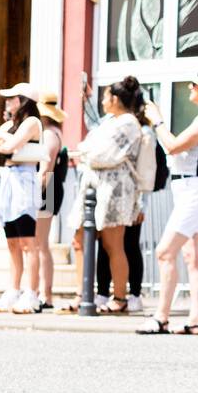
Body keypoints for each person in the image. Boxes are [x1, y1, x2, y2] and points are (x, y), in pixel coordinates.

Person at [68, 76, 149, 314]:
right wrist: (87, 151)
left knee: (113, 244)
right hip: (93, 186)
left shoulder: (128, 123)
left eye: (105, 96)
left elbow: (102, 154)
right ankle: (82, 293)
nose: (103, 100)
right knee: (79, 240)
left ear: (115, 98)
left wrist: (85, 152)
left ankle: (120, 297)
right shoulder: (110, 121)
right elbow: (89, 144)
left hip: (115, 189)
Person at [137, 72, 198, 335]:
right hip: (189, 188)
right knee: (193, 258)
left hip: (193, 189)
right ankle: (197, 318)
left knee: (165, 252)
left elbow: (173, 146)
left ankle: (161, 316)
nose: (190, 86)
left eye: (196, 84)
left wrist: (158, 120)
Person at [0, 83, 43, 314]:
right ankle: (13, 290)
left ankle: (32, 293)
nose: (7, 103)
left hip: (25, 180)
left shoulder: (32, 122)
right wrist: (2, 134)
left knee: (28, 242)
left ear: (22, 101)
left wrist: (2, 139)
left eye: (11, 99)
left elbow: (9, 147)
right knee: (12, 242)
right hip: (9, 180)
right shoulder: (12, 124)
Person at [34, 92, 68, 311]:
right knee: (40, 244)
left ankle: (45, 294)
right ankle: (42, 292)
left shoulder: (49, 135)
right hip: (51, 188)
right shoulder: (54, 133)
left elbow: (45, 169)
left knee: (40, 244)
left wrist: (34, 195)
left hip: (47, 189)